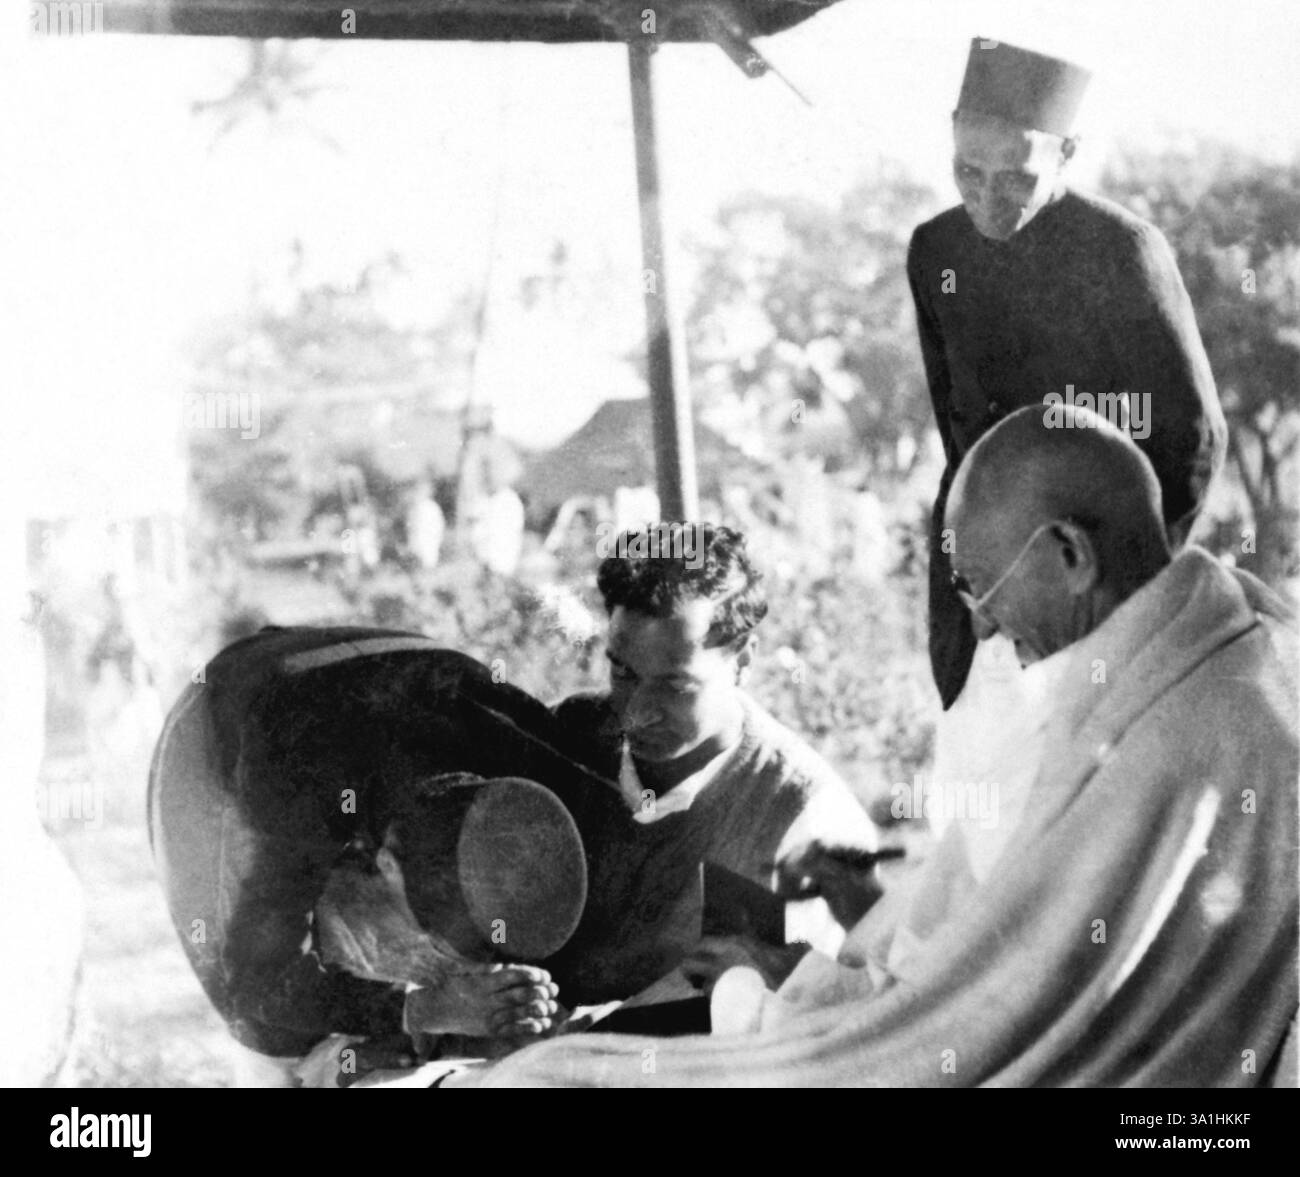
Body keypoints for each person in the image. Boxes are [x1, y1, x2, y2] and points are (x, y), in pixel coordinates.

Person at [451, 408, 1297, 1087]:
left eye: (981, 587)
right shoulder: (1167, 653)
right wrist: (833, 953)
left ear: (1071, 555)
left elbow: (1003, 1014)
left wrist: (785, 1000)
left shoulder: (1193, 726)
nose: (980, 623)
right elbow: (986, 926)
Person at [908, 38, 1227, 714]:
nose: (989, 198)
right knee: (984, 750)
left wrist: (1133, 581)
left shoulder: (1122, 250)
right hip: (976, 564)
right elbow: (954, 424)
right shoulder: (934, 249)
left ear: (1066, 154)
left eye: (1017, 177)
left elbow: (1192, 435)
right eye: (968, 172)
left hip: (1091, 571)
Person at [550, 522, 882, 973]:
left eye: (675, 685)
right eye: (624, 673)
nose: (638, 712)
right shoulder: (554, 741)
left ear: (743, 660)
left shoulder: (810, 819)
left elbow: (836, 1015)